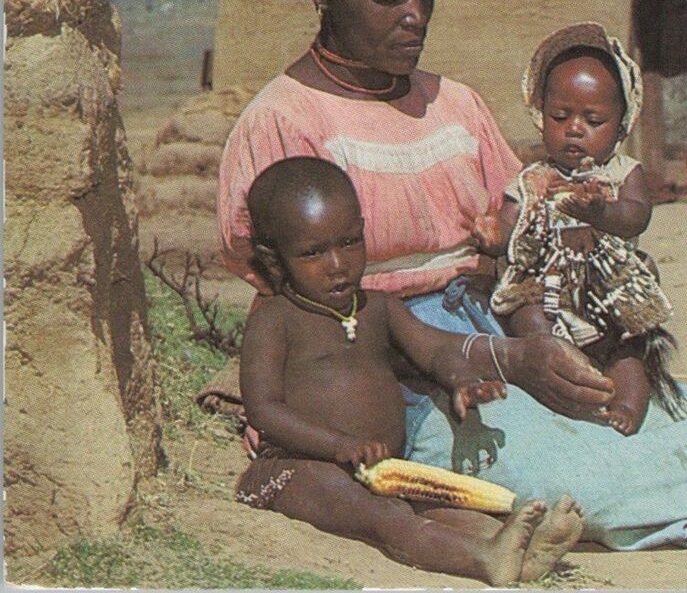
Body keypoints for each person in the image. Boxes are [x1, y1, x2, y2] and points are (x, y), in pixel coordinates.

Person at [218, 0, 687, 551]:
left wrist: (538, 341)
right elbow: (300, 305)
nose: (414, 14)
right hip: (391, 371)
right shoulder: (282, 123)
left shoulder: (455, 104)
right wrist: (489, 360)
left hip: (498, 323)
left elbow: (523, 236)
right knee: (576, 482)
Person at [235, 156, 583, 585]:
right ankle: (485, 560)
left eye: (350, 242)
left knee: (444, 510)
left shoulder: (378, 308)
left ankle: (516, 549)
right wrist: (338, 444)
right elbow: (264, 409)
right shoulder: (276, 319)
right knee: (384, 518)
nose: (338, 263)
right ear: (275, 258)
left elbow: (433, 350)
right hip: (298, 468)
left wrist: (461, 379)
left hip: (384, 470)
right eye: (312, 253)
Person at [484, 24, 687, 438]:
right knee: (523, 315)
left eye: (593, 120)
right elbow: (511, 223)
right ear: (540, 115)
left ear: (620, 126)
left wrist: (602, 211)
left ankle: (628, 409)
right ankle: (554, 364)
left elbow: (636, 217)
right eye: (560, 117)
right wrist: (495, 236)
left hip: (605, 289)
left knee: (626, 351)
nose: (575, 128)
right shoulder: (534, 178)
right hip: (547, 286)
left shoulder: (621, 173)